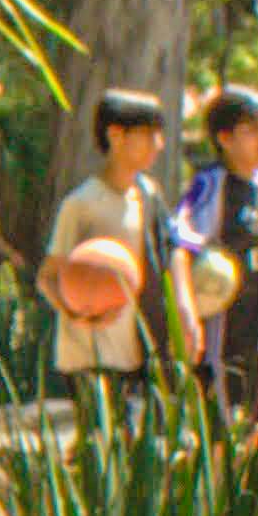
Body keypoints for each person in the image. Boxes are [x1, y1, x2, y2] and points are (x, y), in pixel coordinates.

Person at [37, 85, 189, 392]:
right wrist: (78, 311)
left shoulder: (149, 195)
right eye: (147, 134)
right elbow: (47, 277)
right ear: (116, 135)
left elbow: (173, 251)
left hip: (132, 352)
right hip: (88, 354)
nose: (158, 145)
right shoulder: (81, 203)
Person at [173, 85, 258, 417]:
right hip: (224, 342)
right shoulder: (212, 185)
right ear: (225, 139)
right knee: (223, 438)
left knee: (257, 434)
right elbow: (180, 245)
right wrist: (186, 309)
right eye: (251, 130)